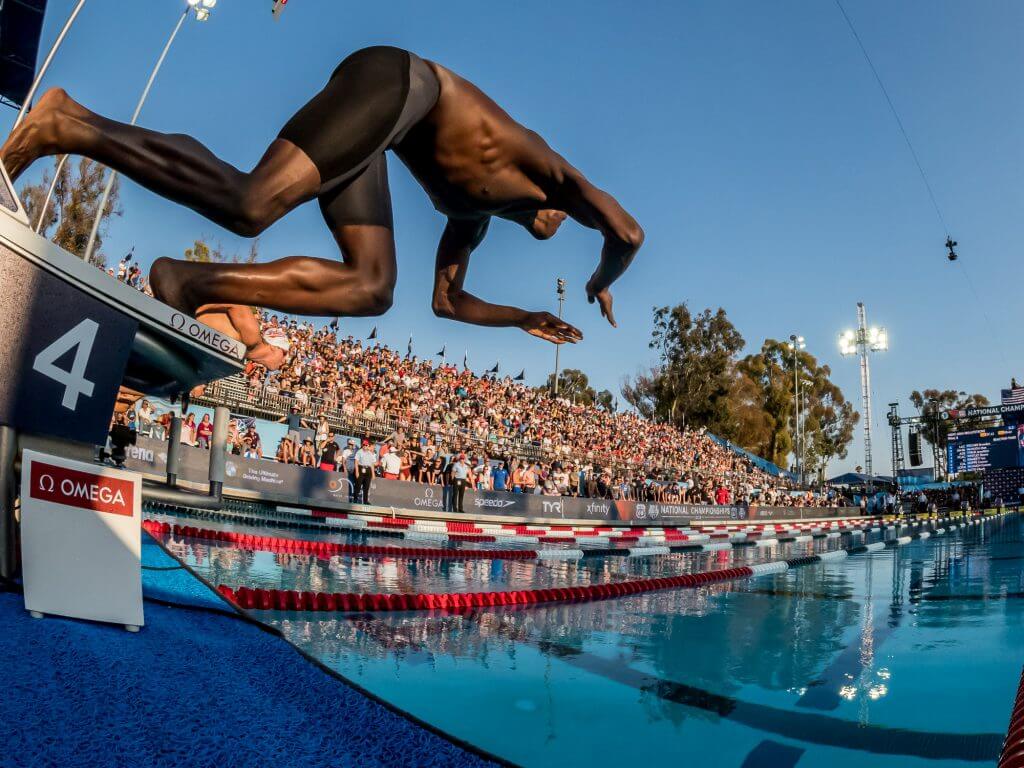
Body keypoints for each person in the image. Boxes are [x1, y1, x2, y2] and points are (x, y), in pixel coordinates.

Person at [4, 47, 642, 362]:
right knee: (253, 203)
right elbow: (627, 234)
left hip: (377, 139)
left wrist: (520, 317)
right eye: (563, 218)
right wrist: (600, 280)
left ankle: (188, 280)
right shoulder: (547, 169)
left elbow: (446, 302)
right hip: (398, 83)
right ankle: (70, 123)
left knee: (371, 287)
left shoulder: (470, 221)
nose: (557, 222)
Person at [354, 439, 377, 504]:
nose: (365, 446)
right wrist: (357, 472)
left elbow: (372, 464)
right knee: (358, 486)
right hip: (361, 469)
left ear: (368, 446)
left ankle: (365, 501)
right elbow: (356, 462)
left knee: (366, 487)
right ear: (362, 445)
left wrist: (373, 473)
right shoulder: (359, 452)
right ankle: (355, 499)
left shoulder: (370, 453)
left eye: (366, 445)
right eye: (363, 445)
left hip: (368, 470)